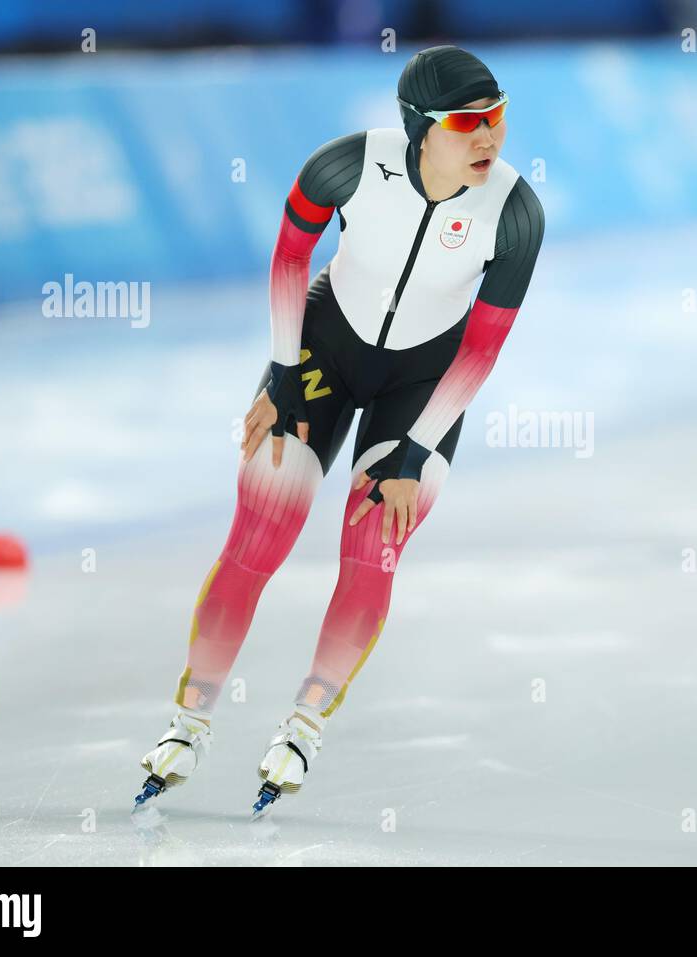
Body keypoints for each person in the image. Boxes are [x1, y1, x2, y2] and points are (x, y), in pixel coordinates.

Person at [134, 45, 545, 814]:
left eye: (498, 117)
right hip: (323, 346)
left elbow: (483, 347)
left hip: (424, 383)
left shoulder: (516, 212)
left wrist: (418, 450)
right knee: (262, 527)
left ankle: (304, 724)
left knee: (372, 544)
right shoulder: (347, 165)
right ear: (421, 127)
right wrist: (284, 370)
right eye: (469, 122)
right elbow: (292, 256)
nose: (490, 136)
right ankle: (189, 721)